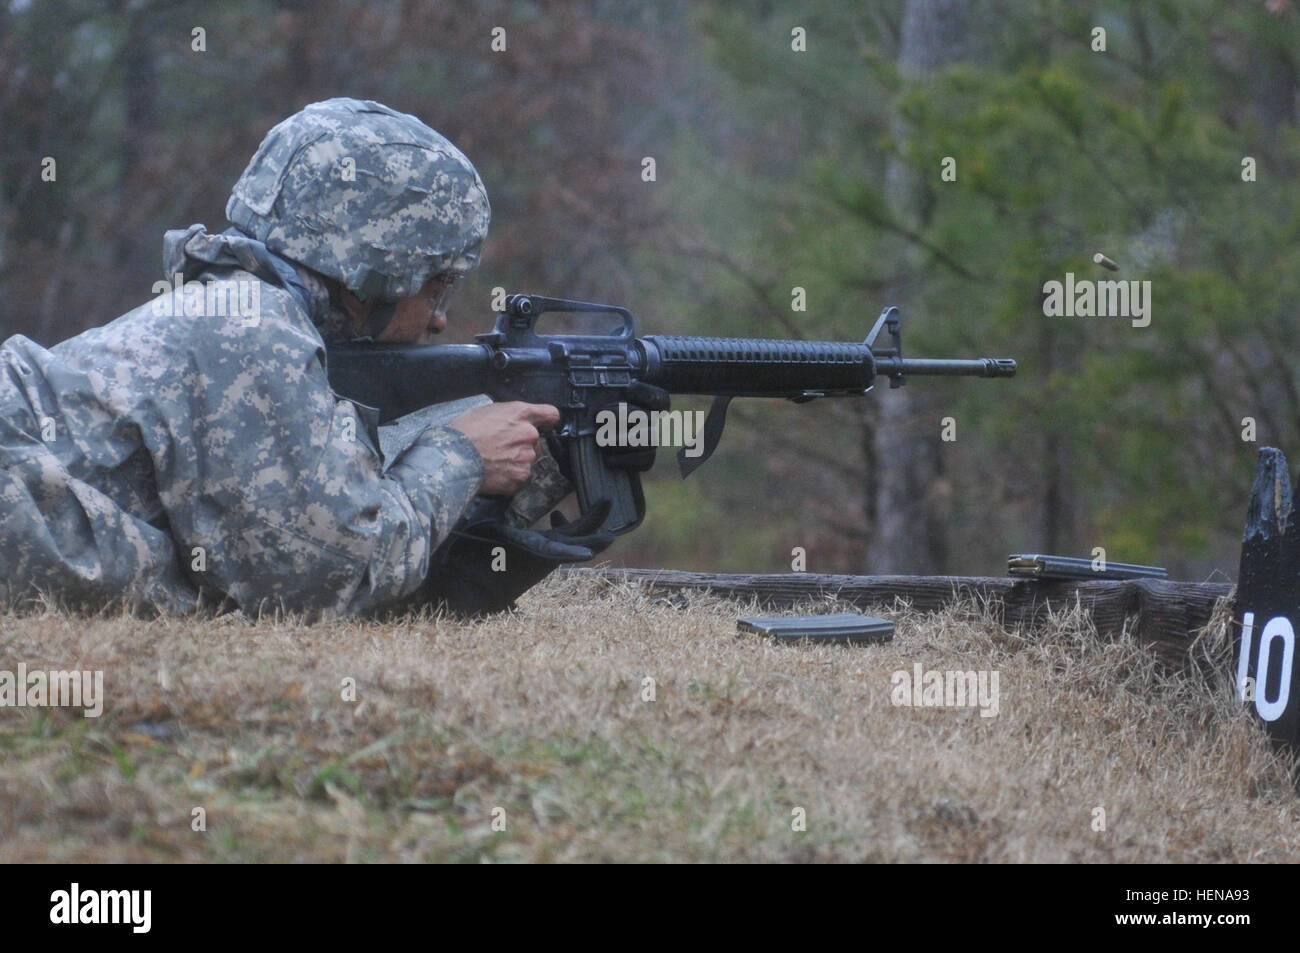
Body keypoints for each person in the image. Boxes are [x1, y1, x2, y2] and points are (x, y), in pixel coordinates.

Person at [0, 97, 621, 619]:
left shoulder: (233, 312)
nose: (438, 318)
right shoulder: (250, 326)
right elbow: (325, 578)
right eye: (436, 284)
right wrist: (458, 455)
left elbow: (274, 545)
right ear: (375, 270)